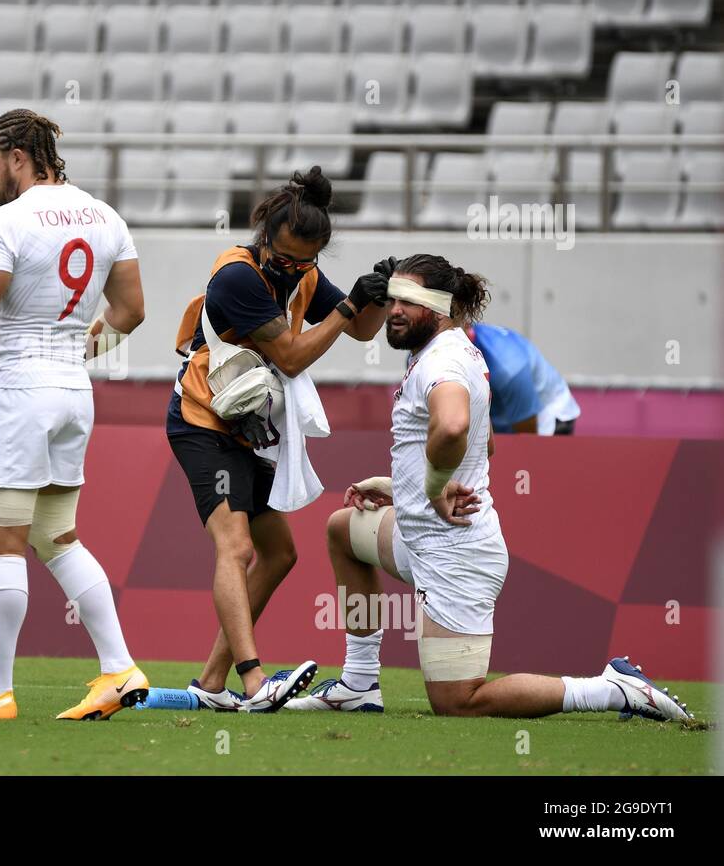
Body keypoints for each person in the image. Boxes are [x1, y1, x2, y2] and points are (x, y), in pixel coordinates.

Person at [286, 254, 690, 722]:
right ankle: (358, 685)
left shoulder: (443, 361)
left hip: (456, 554)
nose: (393, 309)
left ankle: (612, 689)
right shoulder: (449, 350)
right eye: (391, 298)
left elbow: (455, 427)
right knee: (343, 530)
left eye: (407, 301)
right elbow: (487, 442)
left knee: (459, 702)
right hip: (421, 537)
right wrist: (404, 488)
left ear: (437, 308)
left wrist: (434, 487)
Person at [0, 108, 149, 721]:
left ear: (18, 157)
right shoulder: (106, 216)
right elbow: (131, 311)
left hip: (18, 390)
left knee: (0, 542)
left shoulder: (6, 223)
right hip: (72, 387)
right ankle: (118, 669)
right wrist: (77, 348)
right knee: (57, 536)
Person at [166, 168, 391, 711]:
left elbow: (361, 331)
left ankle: (211, 685)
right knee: (236, 547)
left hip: (249, 433)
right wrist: (347, 305)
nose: (291, 270)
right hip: (203, 424)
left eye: (304, 262)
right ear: (263, 236)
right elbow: (291, 355)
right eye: (284, 258)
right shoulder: (238, 277)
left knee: (280, 553)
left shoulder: (304, 275)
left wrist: (374, 296)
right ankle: (253, 680)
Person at [465, 323, 581, 435]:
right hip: (504, 401)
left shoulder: (508, 370)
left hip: (547, 415)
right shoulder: (464, 331)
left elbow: (527, 439)